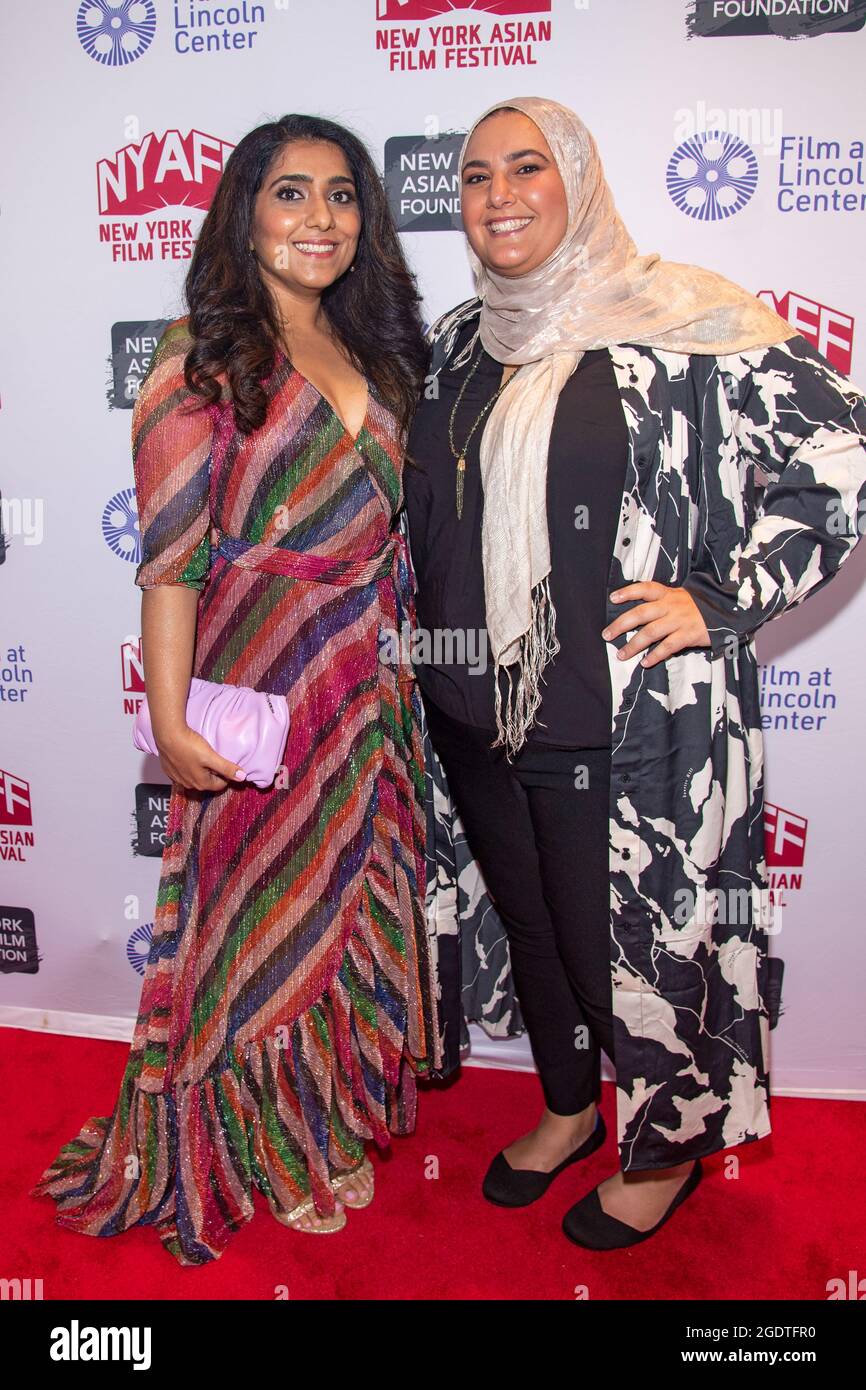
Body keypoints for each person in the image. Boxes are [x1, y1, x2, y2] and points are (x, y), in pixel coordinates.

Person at [404, 95, 866, 1250]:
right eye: (474, 175)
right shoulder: (463, 338)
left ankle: (663, 1146)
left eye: (526, 168)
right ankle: (567, 1108)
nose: (499, 195)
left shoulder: (681, 320)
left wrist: (720, 597)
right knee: (531, 925)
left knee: (630, 947)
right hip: (466, 704)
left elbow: (838, 463)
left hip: (610, 716)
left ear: (578, 180)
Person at [32, 113, 440, 1264]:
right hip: (259, 673)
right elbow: (170, 560)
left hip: (370, 676)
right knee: (265, 905)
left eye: (342, 195)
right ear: (246, 214)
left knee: (353, 901)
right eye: (291, 193)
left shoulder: (378, 353)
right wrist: (168, 720)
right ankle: (259, 1140)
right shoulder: (199, 356)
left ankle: (330, 1117)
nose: (321, 218)